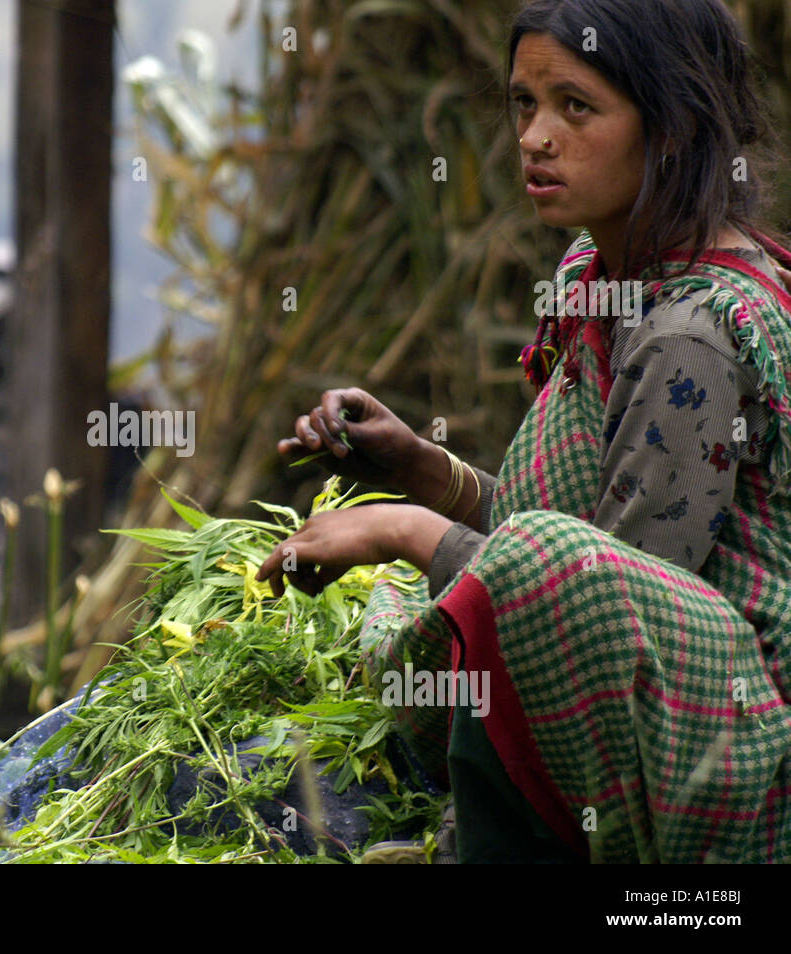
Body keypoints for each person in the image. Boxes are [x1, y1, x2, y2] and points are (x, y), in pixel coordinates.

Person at [256, 0, 791, 862]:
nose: (535, 138)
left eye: (575, 107)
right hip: (648, 708)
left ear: (674, 127)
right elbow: (582, 537)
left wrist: (400, 531)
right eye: (524, 104)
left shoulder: (692, 335)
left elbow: (591, 605)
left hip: (738, 759)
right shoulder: (607, 279)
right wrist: (423, 471)